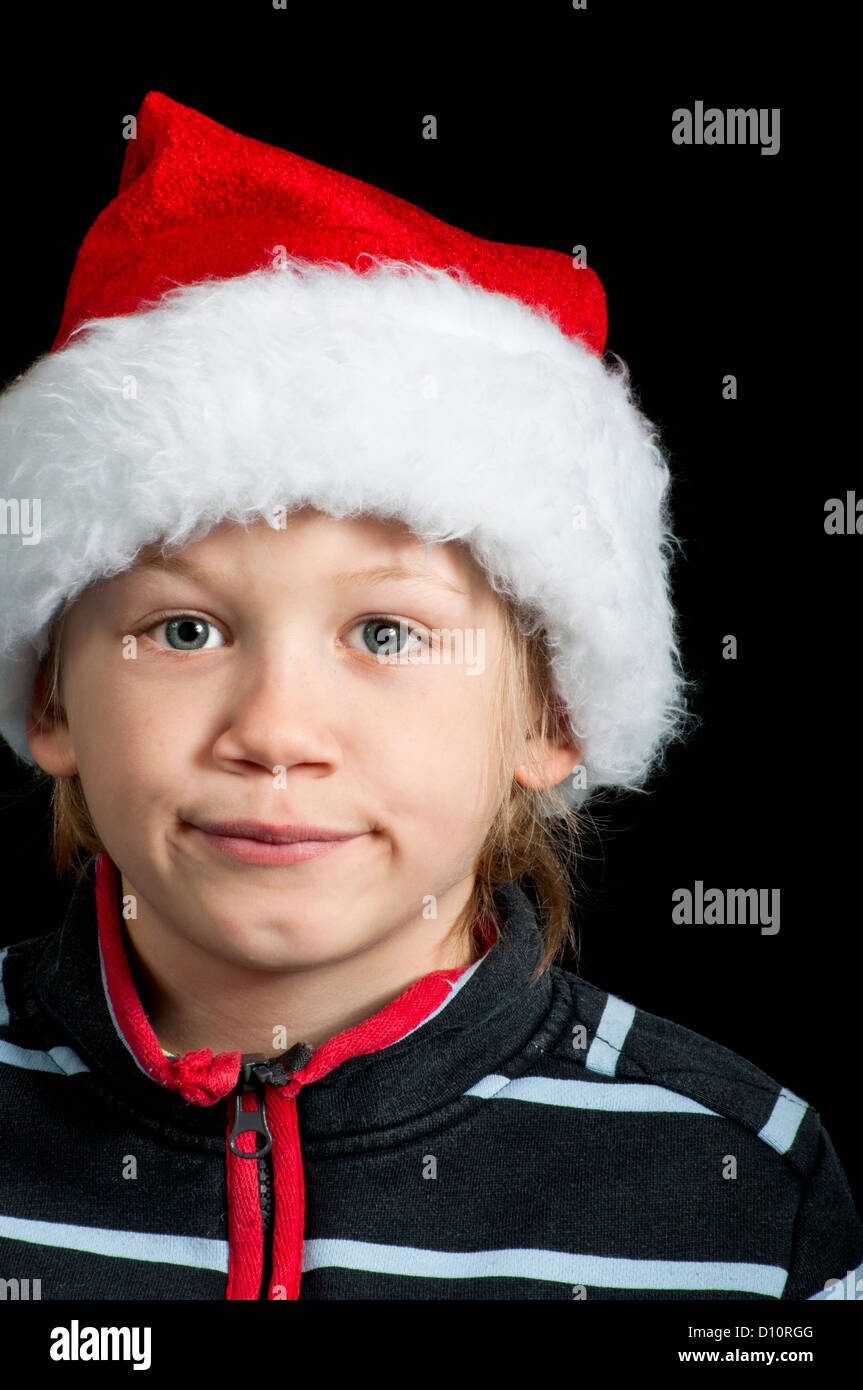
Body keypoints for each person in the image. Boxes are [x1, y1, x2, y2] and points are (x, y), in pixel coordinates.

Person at [0, 91, 859, 1303]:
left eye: (386, 631)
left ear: (550, 715)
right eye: (183, 627)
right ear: (50, 698)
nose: (276, 732)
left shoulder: (738, 1189)